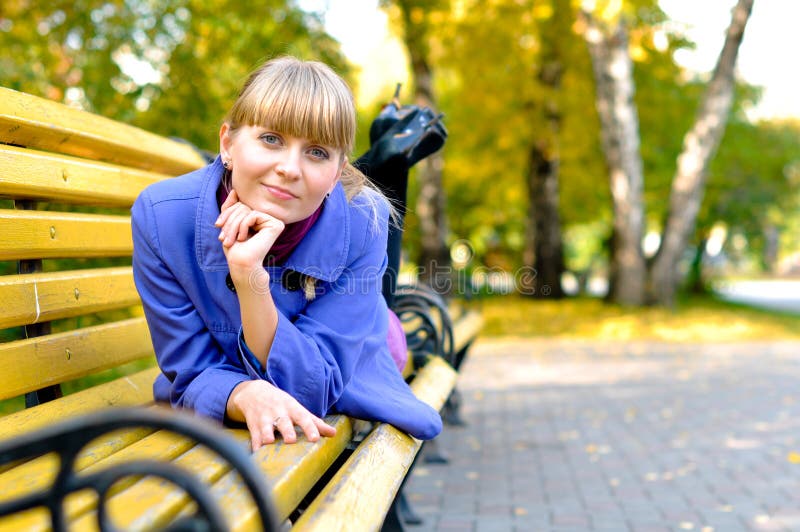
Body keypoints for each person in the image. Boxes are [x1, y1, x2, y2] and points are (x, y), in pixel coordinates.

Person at [131, 56, 442, 451]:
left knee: (386, 331)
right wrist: (242, 393)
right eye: (271, 139)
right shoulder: (162, 216)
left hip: (363, 347)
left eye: (316, 152)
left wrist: (251, 280)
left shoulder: (366, 219)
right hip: (284, 348)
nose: (289, 168)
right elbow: (189, 367)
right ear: (227, 143)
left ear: (337, 171)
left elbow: (313, 390)